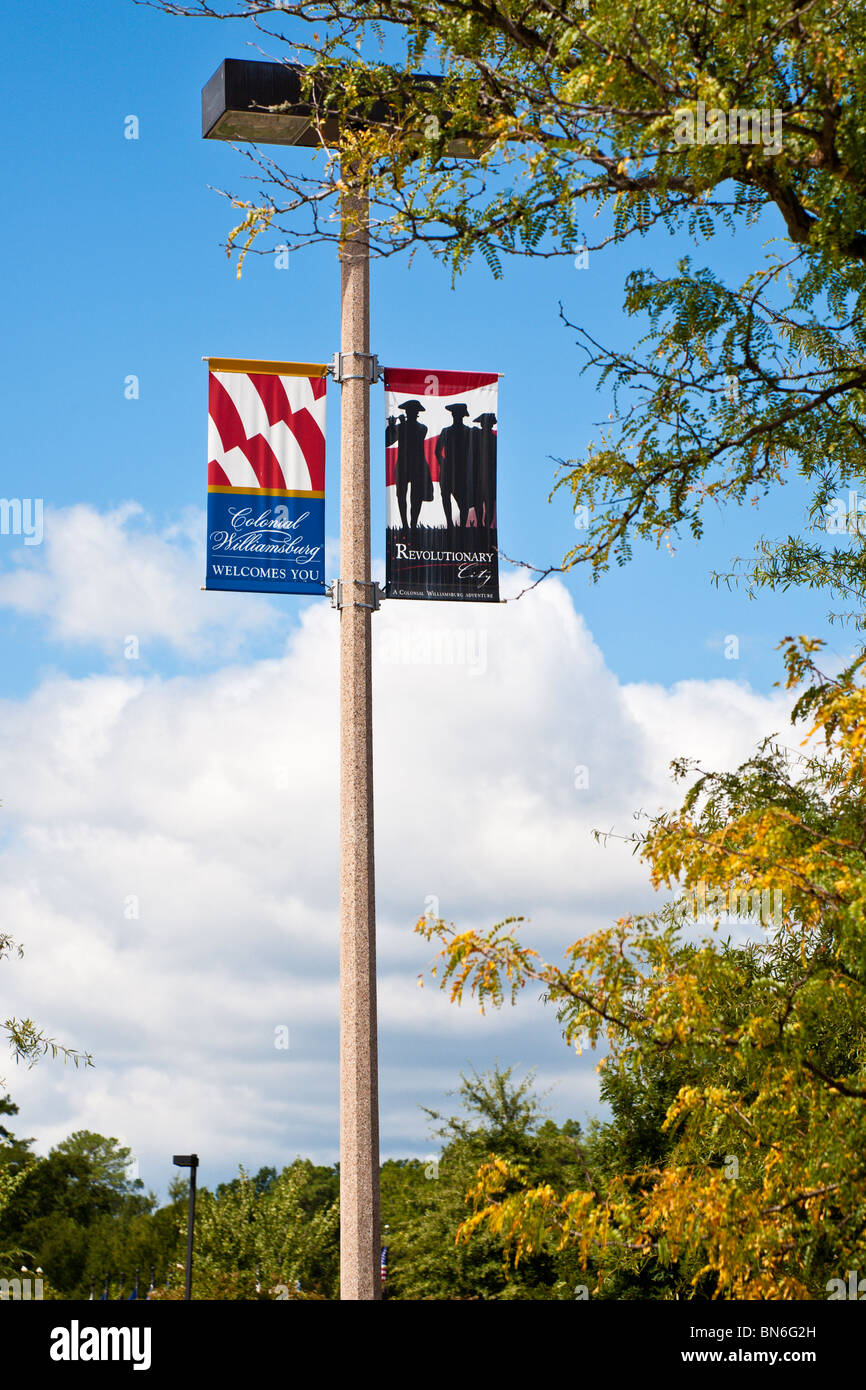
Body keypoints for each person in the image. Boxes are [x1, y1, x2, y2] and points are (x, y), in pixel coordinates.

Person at [386, 399, 432, 531]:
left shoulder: (422, 428)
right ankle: (405, 524)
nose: (410, 413)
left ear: (416, 412)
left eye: (412, 411)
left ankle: (413, 523)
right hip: (403, 464)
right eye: (409, 411)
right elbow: (387, 442)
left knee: (416, 496)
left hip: (417, 464)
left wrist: (401, 424)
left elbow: (415, 435)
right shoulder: (400, 427)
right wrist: (391, 427)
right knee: (401, 495)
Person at [434, 402, 474, 529]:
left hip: (461, 471)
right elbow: (437, 451)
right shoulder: (446, 432)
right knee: (446, 497)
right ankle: (450, 523)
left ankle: (461, 526)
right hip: (448, 470)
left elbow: (471, 451)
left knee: (463, 503)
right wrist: (443, 462)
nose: (456, 416)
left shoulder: (468, 432)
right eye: (455, 414)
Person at [472, 412, 497, 543]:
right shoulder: (476, 438)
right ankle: (482, 526)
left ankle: (486, 526)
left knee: (488, 502)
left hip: (489, 476)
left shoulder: (494, 440)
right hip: (478, 474)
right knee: (479, 502)